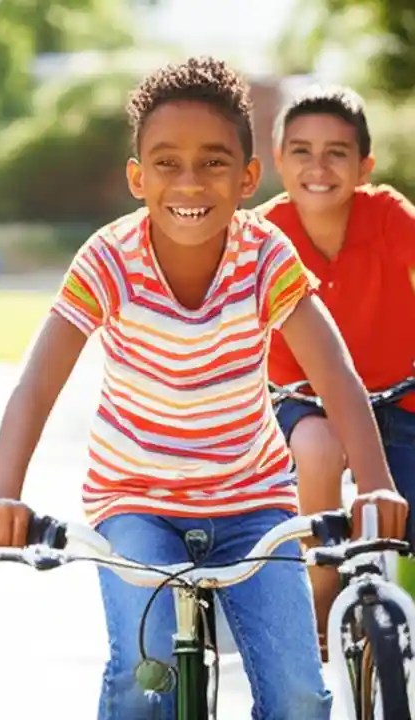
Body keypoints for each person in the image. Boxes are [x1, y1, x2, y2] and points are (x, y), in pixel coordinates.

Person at [0, 57, 409, 719]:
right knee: (143, 686)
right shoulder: (108, 260)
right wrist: (3, 490)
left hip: (251, 501)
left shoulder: (265, 255)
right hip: (136, 501)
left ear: (249, 177)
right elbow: (37, 382)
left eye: (214, 161)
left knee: (298, 696)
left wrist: (374, 481)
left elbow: (334, 373)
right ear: (137, 177)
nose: (190, 182)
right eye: (167, 163)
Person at [258, 83, 415, 641]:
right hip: (303, 400)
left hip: (398, 397)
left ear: (364, 165)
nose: (318, 166)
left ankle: (393, 636)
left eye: (337, 153)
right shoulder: (263, 232)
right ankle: (322, 583)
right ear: (278, 161)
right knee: (318, 446)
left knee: (400, 523)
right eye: (301, 150)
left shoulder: (388, 216)